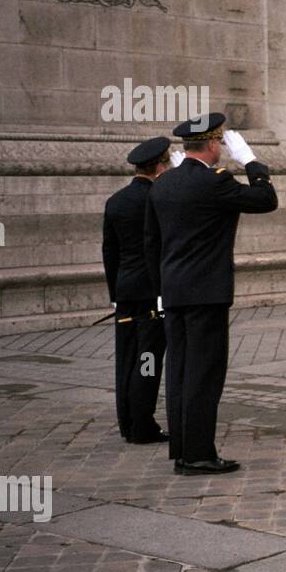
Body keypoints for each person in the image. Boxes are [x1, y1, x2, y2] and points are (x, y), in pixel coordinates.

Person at [145, 114, 279, 474]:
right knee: (204, 374)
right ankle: (199, 455)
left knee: (179, 371)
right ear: (214, 145)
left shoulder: (162, 184)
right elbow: (265, 199)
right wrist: (250, 161)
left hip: (173, 293)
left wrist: (161, 293)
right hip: (206, 293)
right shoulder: (215, 183)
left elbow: (151, 244)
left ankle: (182, 450)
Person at [102, 137, 172, 445]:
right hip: (152, 292)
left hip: (125, 290)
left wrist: (115, 294)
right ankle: (143, 424)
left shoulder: (115, 201)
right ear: (158, 166)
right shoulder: (158, 199)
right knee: (148, 358)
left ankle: (127, 421)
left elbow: (109, 252)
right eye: (168, 163)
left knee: (127, 357)